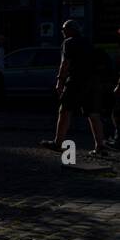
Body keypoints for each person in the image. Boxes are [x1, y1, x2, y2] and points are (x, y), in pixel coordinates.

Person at [39, 20, 108, 158]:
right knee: (93, 114)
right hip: (93, 82)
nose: (62, 31)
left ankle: (58, 143)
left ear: (70, 30)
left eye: (64, 29)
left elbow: (65, 63)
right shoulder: (87, 42)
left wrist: (60, 82)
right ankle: (100, 146)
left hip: (76, 80)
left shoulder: (68, 42)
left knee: (64, 110)